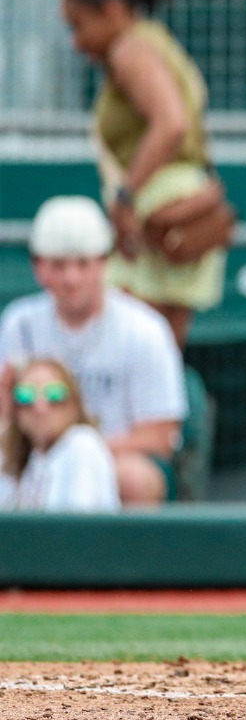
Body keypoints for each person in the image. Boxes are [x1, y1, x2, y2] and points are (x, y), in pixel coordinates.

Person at [62, 0, 226, 348]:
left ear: (114, 11)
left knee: (128, 354)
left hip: (156, 209)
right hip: (178, 202)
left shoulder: (129, 50)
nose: (76, 41)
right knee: (159, 358)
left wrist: (126, 196)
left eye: (80, 25)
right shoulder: (155, 43)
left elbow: (171, 124)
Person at [0, 198, 186, 507]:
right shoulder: (19, 324)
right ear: (39, 267)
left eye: (83, 264)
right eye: (58, 265)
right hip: (29, 455)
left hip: (114, 458)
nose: (71, 279)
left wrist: (78, 453)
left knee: (132, 478)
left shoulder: (144, 330)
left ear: (103, 263)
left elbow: (160, 436)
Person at [0, 360, 119, 513]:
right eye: (25, 396)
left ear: (74, 404)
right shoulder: (23, 461)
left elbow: (74, 528)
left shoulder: (82, 445)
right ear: (16, 410)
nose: (40, 407)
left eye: (54, 394)